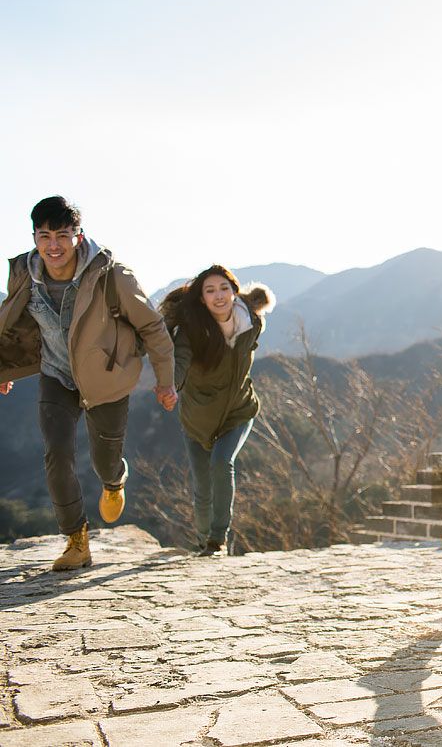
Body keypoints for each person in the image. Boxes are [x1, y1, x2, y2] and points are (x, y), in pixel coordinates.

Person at [0, 196, 176, 570]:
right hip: (56, 376)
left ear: (79, 236)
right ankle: (76, 540)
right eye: (44, 236)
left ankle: (115, 482)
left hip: (107, 381)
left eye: (62, 235)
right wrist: (4, 370)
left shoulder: (112, 275)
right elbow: (12, 321)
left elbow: (152, 326)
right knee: (57, 454)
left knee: (104, 460)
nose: (53, 246)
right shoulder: (23, 274)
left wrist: (165, 382)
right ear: (34, 236)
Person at [160, 266, 274, 557]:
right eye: (209, 291)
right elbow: (180, 360)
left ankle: (217, 540)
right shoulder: (190, 330)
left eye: (224, 288)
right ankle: (203, 541)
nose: (218, 295)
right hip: (198, 417)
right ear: (201, 299)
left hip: (239, 409)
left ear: (234, 291)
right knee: (202, 486)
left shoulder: (251, 322)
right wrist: (171, 385)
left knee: (222, 463)